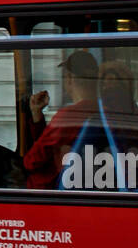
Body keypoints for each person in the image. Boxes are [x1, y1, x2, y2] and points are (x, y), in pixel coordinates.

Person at [22, 50, 100, 189]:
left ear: (69, 78)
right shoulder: (105, 111)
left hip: (55, 192)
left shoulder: (68, 117)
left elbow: (31, 161)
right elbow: (48, 147)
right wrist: (37, 114)